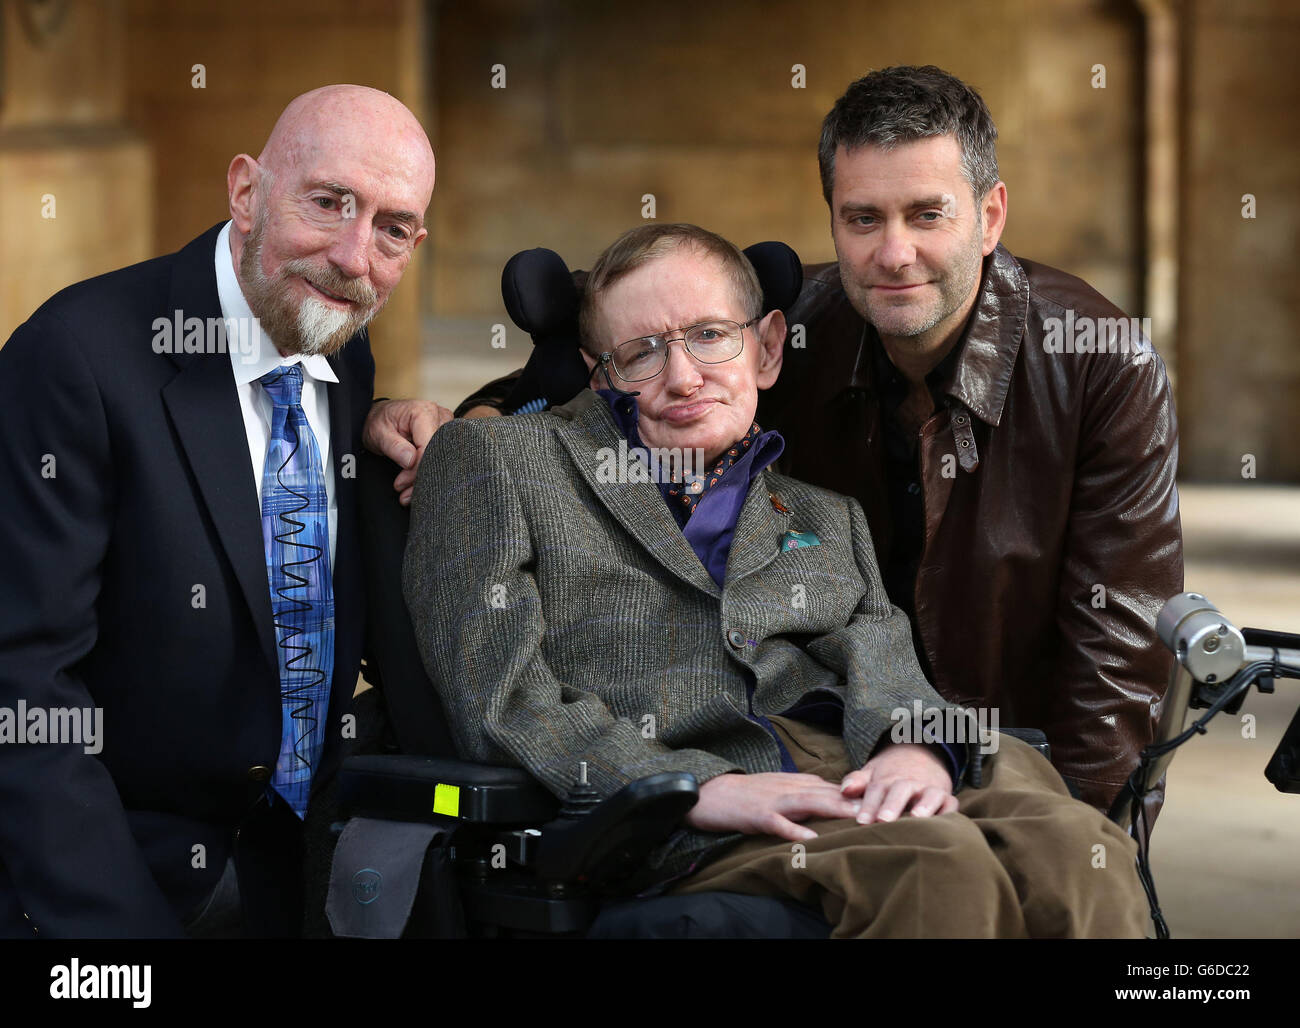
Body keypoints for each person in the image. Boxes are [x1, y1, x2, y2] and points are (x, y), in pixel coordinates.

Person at [453, 66, 1183, 824]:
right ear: (832, 219)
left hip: (993, 736)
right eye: (863, 218)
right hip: (837, 738)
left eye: (927, 215)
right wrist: (480, 416)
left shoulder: (1099, 363)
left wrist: (1095, 833)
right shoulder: (792, 323)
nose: (893, 254)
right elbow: (622, 328)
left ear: (991, 215)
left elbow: (1120, 647)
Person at [404, 223, 1150, 938]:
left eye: (708, 335)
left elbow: (887, 662)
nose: (684, 376)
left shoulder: (826, 516)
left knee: (1081, 855)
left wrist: (918, 747)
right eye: (641, 353)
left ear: (765, 350)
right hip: (670, 796)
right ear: (601, 379)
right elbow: (498, 700)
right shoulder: (498, 461)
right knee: (939, 864)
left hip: (865, 760)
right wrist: (699, 787)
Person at [0, 84, 439, 937]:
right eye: (329, 202)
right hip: (115, 881)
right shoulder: (77, 357)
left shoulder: (338, 346)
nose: (355, 256)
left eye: (392, 228)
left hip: (296, 878)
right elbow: (20, 682)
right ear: (246, 191)